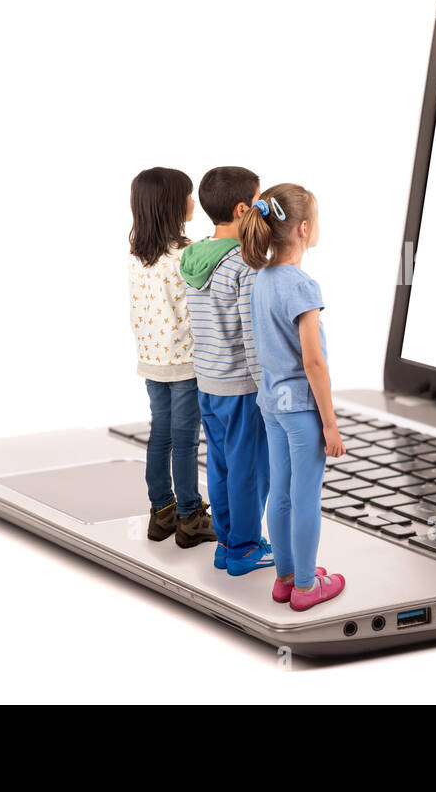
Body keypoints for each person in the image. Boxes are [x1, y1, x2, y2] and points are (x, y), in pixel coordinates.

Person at [238, 184, 345, 610]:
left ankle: (284, 576)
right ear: (303, 228)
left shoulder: (261, 280)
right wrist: (330, 423)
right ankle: (305, 586)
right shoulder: (302, 286)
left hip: (270, 403)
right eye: (316, 220)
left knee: (279, 492)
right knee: (306, 496)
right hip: (301, 409)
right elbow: (313, 363)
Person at [178, 166, 274, 576]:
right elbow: (252, 335)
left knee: (219, 465)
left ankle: (226, 541)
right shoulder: (244, 266)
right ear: (241, 208)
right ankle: (245, 549)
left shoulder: (193, 256)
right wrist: (264, 385)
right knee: (249, 469)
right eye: (257, 202)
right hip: (241, 386)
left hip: (207, 383)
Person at [127, 167, 216, 547]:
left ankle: (161, 511)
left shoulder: (137, 255)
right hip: (184, 362)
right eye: (187, 195)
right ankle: (190, 516)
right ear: (171, 206)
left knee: (159, 435)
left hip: (152, 359)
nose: (192, 201)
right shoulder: (186, 254)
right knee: (184, 441)